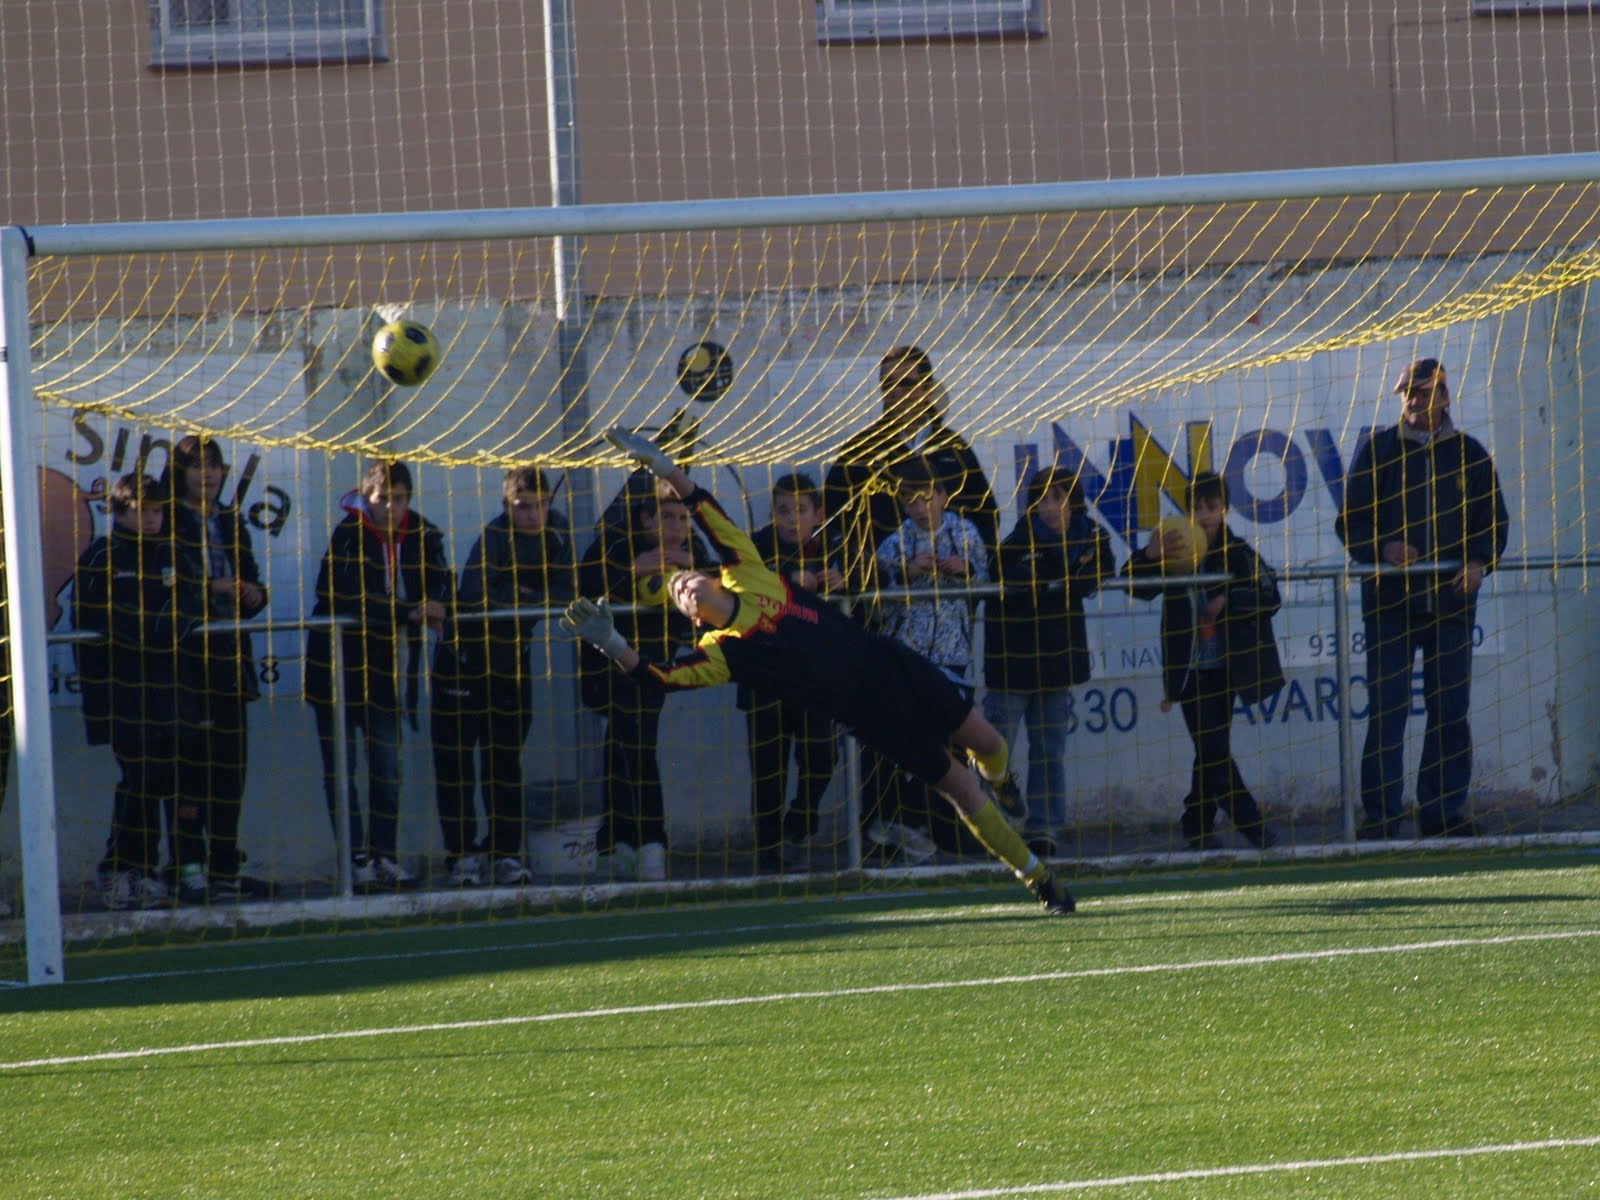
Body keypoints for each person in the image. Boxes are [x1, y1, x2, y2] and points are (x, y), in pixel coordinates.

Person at [564, 429, 1070, 915]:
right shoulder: (724, 651)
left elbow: (703, 506)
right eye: (676, 593)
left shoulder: (746, 569)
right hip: (870, 717)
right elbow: (656, 676)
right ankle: (1037, 878)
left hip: (891, 663)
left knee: (987, 741)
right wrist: (612, 642)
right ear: (692, 617)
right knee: (960, 787)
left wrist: (663, 467)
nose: (684, 586)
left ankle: (1003, 778)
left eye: (684, 578)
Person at [1335, 357, 1509, 839]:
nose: (1414, 400)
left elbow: (1494, 523)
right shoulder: (1377, 451)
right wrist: (1382, 549)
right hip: (1389, 607)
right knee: (1387, 712)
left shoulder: (1471, 456)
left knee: (1450, 710)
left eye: (1424, 391)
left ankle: (1442, 814)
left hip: (1451, 608)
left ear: (1445, 397)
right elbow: (1349, 523)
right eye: (1408, 392)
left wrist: (1478, 562)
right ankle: (1384, 817)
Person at [305, 460, 451, 888]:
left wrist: (439, 602)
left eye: (400, 498)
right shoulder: (347, 534)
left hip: (389, 674)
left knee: (387, 768)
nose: (391, 506)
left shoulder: (425, 533)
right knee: (342, 770)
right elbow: (340, 596)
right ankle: (354, 861)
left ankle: (383, 855)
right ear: (366, 497)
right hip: (335, 671)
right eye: (382, 498)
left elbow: (443, 584)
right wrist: (409, 610)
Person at [1123, 471, 1284, 851]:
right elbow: (1129, 583)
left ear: (1225, 509)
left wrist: (1227, 599)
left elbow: (1271, 593)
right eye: (1196, 507)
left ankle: (1196, 824)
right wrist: (1149, 556)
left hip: (1226, 668)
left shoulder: (1239, 552)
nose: (1203, 515)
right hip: (1188, 670)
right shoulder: (1174, 550)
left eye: (1211, 507)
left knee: (1210, 750)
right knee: (1212, 748)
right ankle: (1253, 824)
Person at [432, 466, 574, 887]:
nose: (533, 515)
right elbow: (476, 595)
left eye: (541, 506)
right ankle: (461, 856)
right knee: (457, 765)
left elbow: (568, 591)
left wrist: (529, 599)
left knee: (505, 763)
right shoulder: (492, 540)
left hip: (511, 662)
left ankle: (504, 853)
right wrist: (522, 599)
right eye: (523, 507)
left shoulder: (558, 536)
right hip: (463, 662)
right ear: (507, 507)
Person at [73, 473, 203, 909]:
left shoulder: (175, 555)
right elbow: (101, 619)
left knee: (166, 778)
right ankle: (118, 869)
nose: (150, 520)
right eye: (141, 512)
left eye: (156, 511)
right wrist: (157, 631)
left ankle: (147, 869)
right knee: (140, 777)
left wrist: (167, 630)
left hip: (172, 690)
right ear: (120, 511)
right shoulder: (102, 558)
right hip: (123, 692)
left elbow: (192, 607)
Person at [577, 471, 711, 882]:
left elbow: (724, 583)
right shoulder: (613, 545)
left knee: (633, 743)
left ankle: (628, 843)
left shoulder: (693, 549)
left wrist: (696, 568)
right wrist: (631, 570)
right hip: (604, 666)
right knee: (627, 743)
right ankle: (641, 843)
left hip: (653, 665)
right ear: (645, 520)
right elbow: (582, 586)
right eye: (668, 518)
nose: (677, 528)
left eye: (682, 519)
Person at [159, 434, 271, 901]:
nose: (206, 474)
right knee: (189, 772)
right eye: (196, 466)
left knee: (230, 769)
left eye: (213, 465)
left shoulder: (229, 519)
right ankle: (187, 866)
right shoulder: (166, 523)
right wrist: (213, 589)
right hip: (185, 665)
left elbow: (252, 582)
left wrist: (254, 594)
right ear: (178, 473)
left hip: (231, 660)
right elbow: (168, 591)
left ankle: (225, 864)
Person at [983, 465, 1114, 857]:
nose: (1050, 508)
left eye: (1059, 498)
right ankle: (988, 825)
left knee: (1049, 748)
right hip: (1013, 664)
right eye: (1042, 500)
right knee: (994, 749)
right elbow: (1010, 577)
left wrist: (1073, 577)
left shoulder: (1090, 536)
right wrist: (1060, 577)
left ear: (1074, 502)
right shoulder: (1017, 542)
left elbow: (1102, 568)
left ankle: (1045, 827)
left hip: (1058, 661)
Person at [870, 457, 995, 862]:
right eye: (911, 501)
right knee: (907, 745)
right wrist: (906, 574)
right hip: (906, 657)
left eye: (928, 498)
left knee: (952, 746)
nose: (921, 508)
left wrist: (965, 571)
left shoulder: (966, 533)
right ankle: (903, 830)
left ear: (943, 496)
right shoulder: (894, 542)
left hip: (952, 656)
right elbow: (877, 594)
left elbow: (986, 582)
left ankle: (952, 830)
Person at [824, 345, 998, 592]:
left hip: (949, 597)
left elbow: (987, 516)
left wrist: (967, 564)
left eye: (906, 384)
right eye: (887, 385)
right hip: (884, 599)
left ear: (927, 388)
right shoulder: (860, 452)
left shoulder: (954, 449)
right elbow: (834, 522)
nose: (895, 393)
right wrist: (866, 573)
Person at [742, 473, 844, 872]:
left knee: (821, 754)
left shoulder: (836, 543)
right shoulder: (754, 546)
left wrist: (844, 579)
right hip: (764, 670)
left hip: (816, 671)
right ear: (772, 513)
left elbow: (875, 575)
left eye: (800, 510)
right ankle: (769, 852)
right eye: (783, 510)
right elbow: (738, 591)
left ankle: (799, 825)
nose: (792, 519)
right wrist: (784, 584)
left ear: (817, 513)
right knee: (768, 767)